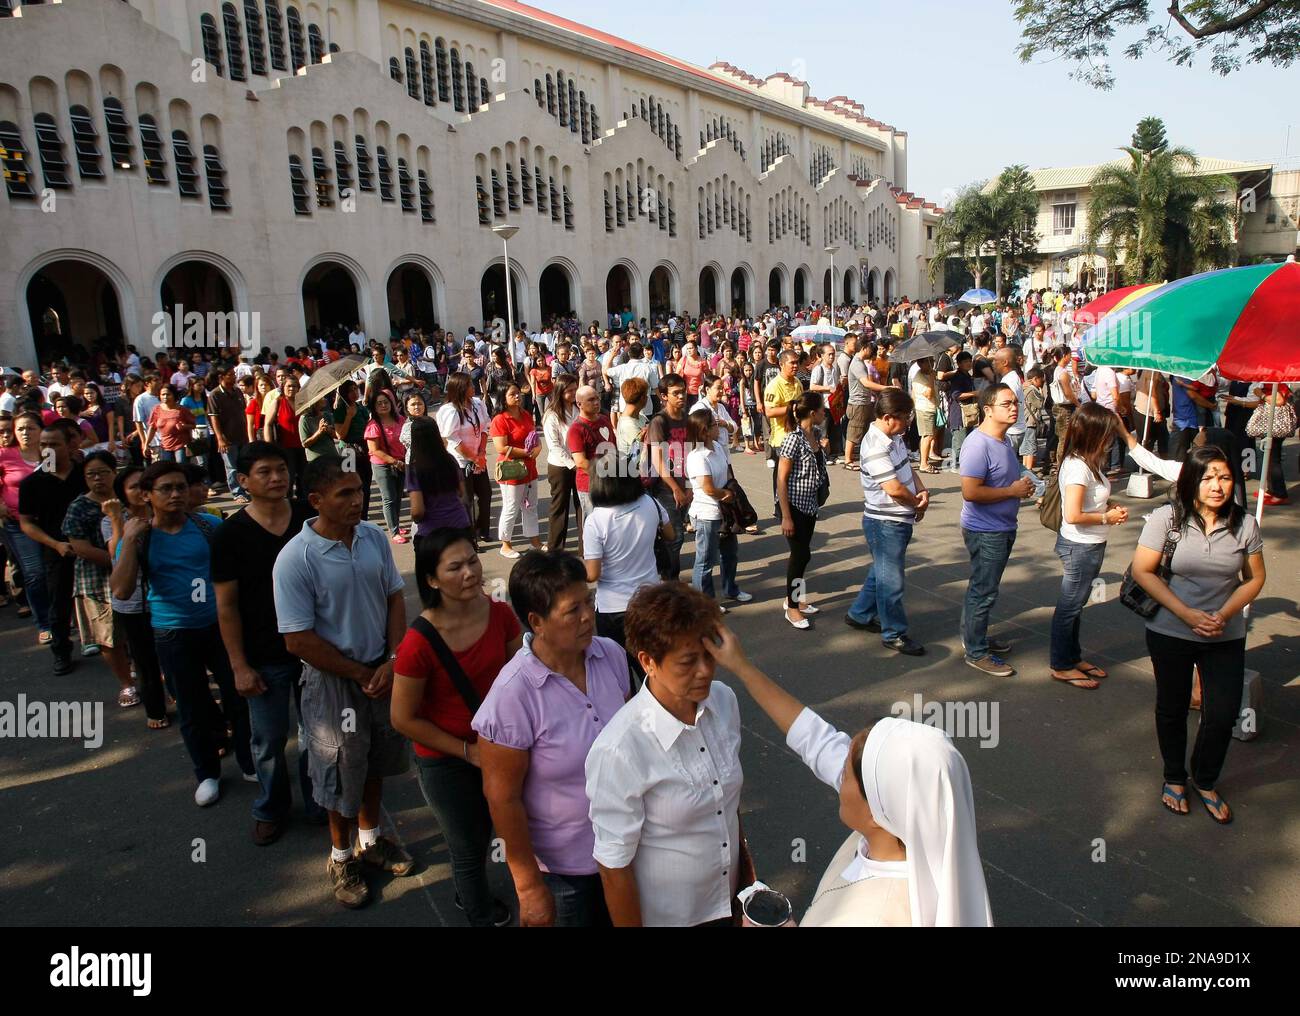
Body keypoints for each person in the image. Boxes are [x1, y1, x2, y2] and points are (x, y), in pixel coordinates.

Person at [704, 624, 994, 926]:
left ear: (877, 811)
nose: (838, 776)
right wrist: (742, 667)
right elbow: (816, 739)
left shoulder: (876, 915)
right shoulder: (901, 833)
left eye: (845, 774)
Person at [273, 458, 413, 908]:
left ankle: (371, 841)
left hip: (380, 671)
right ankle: (341, 854)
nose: (358, 501)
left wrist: (391, 660)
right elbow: (297, 640)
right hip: (333, 683)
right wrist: (359, 673)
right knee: (338, 771)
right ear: (315, 501)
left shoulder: (373, 537)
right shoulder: (296, 558)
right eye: (345, 495)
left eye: (358, 491)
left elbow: (394, 596)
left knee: (374, 758)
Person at [473, 551, 631, 927]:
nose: (587, 616)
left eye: (589, 602)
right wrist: (528, 887)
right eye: (572, 609)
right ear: (536, 622)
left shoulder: (610, 655)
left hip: (625, 850)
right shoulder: (512, 696)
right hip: (565, 873)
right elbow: (502, 798)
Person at [585, 583, 749, 926]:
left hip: (728, 904)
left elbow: (728, 806)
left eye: (710, 654)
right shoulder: (620, 749)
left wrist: (747, 885)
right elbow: (614, 867)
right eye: (688, 661)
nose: (705, 670)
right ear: (648, 661)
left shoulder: (723, 701)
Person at [391, 528, 523, 927]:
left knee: (505, 829)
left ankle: (474, 892)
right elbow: (403, 718)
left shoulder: (499, 612)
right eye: (455, 567)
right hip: (447, 760)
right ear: (431, 579)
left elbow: (520, 675)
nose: (469, 573)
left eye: (472, 561)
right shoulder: (418, 643)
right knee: (468, 848)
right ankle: (477, 910)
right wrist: (468, 752)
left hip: (498, 748)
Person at [1130, 446, 1265, 824]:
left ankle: (1205, 779)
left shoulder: (1245, 524)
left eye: (1224, 477)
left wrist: (1222, 614)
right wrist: (1186, 613)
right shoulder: (1166, 518)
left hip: (1224, 633)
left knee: (1221, 713)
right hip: (1170, 629)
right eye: (1207, 478)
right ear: (1191, 480)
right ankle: (1174, 777)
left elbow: (1255, 578)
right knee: (1171, 707)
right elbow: (1143, 571)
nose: (1217, 486)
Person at [109, 460, 252, 805]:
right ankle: (206, 774)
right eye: (166, 489)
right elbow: (121, 590)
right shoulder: (139, 537)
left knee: (239, 697)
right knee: (192, 707)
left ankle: (250, 762)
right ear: (147, 496)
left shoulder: (209, 526)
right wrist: (127, 541)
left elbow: (239, 572)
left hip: (219, 627)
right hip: (172, 633)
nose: (176, 494)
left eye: (181, 487)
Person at [212, 442, 323, 845]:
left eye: (281, 469)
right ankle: (271, 806)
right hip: (263, 657)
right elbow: (226, 607)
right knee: (269, 740)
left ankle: (319, 802)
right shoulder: (229, 535)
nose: (277, 478)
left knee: (318, 735)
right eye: (265, 472)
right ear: (243, 482)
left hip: (315, 649)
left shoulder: (310, 520)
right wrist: (239, 665)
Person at [1050, 404, 1130, 690]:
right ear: (1095, 434)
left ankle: (1072, 658)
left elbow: (1087, 504)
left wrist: (1108, 508)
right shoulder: (1077, 467)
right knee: (1070, 606)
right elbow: (1072, 514)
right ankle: (1061, 664)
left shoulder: (1089, 462)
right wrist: (1106, 516)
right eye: (1108, 434)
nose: (1111, 440)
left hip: (1091, 543)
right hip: (1079, 545)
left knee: (1076, 605)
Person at [958, 384, 1036, 676]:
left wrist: (1023, 486)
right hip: (985, 530)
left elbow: (1005, 480)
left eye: (1015, 403)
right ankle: (976, 651)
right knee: (984, 590)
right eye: (1007, 404)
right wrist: (1012, 491)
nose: (1014, 408)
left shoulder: (1003, 441)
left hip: (1002, 526)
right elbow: (971, 492)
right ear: (988, 409)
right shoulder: (978, 444)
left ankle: (974, 638)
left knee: (982, 587)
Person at [844, 389, 928, 655]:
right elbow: (892, 487)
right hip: (885, 523)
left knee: (880, 573)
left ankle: (859, 614)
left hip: (896, 520)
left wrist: (921, 490)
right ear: (890, 417)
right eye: (905, 417)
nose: (908, 422)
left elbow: (907, 468)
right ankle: (894, 633)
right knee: (891, 581)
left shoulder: (894, 438)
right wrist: (916, 503)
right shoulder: (875, 445)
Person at [62, 450, 136, 700]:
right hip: (96, 579)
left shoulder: (129, 499)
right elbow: (80, 548)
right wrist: (122, 562)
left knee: (139, 631)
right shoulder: (78, 507)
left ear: (114, 472)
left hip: (134, 577)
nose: (97, 479)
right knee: (108, 635)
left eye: (103, 473)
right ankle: (126, 683)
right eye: (90, 474)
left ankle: (150, 675)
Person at [582, 468, 670, 673]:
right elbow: (670, 533)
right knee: (652, 669)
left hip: (613, 608)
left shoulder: (596, 520)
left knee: (620, 676)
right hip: (650, 599)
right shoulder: (650, 503)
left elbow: (592, 574)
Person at [102, 466, 168, 729]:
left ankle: (177, 692)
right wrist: (120, 522)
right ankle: (155, 708)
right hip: (133, 603)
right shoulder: (112, 519)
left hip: (166, 597)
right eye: (133, 487)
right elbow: (115, 555)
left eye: (145, 485)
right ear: (123, 495)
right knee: (145, 659)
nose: (141, 491)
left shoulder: (164, 514)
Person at [18, 423, 87, 675]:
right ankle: (61, 651)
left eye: (54, 444)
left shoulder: (86, 475)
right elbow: (26, 522)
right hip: (56, 551)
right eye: (43, 445)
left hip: (92, 551)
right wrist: (55, 544)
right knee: (58, 604)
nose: (47, 449)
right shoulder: (33, 483)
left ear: (71, 445)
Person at [685, 406, 751, 611]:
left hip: (725, 512)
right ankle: (704, 603)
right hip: (707, 514)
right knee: (705, 561)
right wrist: (727, 495)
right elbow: (708, 488)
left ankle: (731, 588)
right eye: (714, 424)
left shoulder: (718, 447)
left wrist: (733, 491)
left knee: (730, 554)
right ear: (704, 430)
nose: (718, 426)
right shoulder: (697, 457)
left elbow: (728, 474)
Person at [777, 392, 829, 630]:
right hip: (795, 507)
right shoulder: (792, 439)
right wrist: (786, 516)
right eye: (822, 409)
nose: (824, 413)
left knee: (803, 555)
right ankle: (792, 606)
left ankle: (796, 598)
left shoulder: (815, 435)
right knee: (800, 556)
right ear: (812, 412)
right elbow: (781, 480)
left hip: (810, 505)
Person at [1, 412, 49, 644]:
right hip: (18, 524)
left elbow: (54, 482)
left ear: (41, 429)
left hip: (50, 521)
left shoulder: (48, 453)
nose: (25, 433)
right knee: (35, 573)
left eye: (30, 428)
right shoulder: (5, 454)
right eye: (20, 429)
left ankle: (63, 615)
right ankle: (44, 623)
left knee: (55, 570)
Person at [487, 383, 544, 558]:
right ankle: (506, 544)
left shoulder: (526, 414)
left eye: (518, 393)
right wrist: (526, 452)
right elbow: (501, 447)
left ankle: (535, 541)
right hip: (511, 470)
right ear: (503, 398)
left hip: (530, 468)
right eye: (513, 394)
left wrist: (538, 448)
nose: (517, 397)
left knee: (531, 506)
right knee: (511, 507)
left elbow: (535, 437)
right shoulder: (500, 420)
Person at [643, 373, 692, 579]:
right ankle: (669, 578)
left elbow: (693, 453)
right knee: (675, 536)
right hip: (665, 487)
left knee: (676, 534)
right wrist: (675, 489)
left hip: (685, 484)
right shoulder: (659, 422)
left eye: (683, 392)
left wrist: (688, 487)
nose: (681, 396)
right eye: (676, 393)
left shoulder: (687, 418)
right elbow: (658, 461)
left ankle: (665, 575)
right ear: (663, 396)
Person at [437, 374, 492, 546]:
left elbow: (484, 428)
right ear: (460, 388)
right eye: (469, 385)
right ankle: (467, 537)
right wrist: (473, 457)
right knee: (466, 500)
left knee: (485, 494)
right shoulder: (450, 410)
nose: (473, 387)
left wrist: (481, 453)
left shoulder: (477, 403)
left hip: (478, 458)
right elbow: (452, 439)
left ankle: (482, 529)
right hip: (461, 461)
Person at [405, 417, 470, 541]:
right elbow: (463, 494)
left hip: (433, 532)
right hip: (460, 524)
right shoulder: (450, 460)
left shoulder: (415, 469)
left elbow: (417, 511)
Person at [566, 384, 616, 527]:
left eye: (597, 398)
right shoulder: (576, 429)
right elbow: (580, 462)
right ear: (579, 404)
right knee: (594, 527)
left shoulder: (604, 419)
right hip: (590, 485)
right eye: (591, 400)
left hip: (611, 482)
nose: (596, 402)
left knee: (611, 526)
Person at [542, 376, 581, 552]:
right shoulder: (552, 415)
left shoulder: (578, 409)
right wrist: (572, 464)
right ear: (560, 392)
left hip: (580, 463)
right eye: (569, 390)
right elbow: (554, 446)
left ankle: (586, 547)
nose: (573, 393)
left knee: (583, 505)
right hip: (560, 466)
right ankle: (555, 548)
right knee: (560, 507)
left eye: (575, 389)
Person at [364, 389, 408, 544]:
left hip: (401, 463)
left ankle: (396, 524)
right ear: (374, 407)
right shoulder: (373, 425)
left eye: (386, 402)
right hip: (382, 465)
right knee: (389, 498)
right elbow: (374, 450)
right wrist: (394, 461)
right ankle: (394, 531)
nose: (383, 405)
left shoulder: (401, 419)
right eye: (379, 403)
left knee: (397, 496)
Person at [764, 350, 804, 516]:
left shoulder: (797, 383)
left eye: (797, 362)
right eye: (792, 363)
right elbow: (769, 412)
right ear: (781, 364)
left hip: (797, 435)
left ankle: (795, 506)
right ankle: (780, 508)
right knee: (782, 477)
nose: (795, 366)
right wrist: (791, 408)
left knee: (796, 475)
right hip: (781, 438)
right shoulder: (774, 385)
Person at [207, 367, 250, 500]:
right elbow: (213, 417)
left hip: (241, 435)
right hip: (227, 438)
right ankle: (237, 493)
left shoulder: (237, 391)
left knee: (243, 464)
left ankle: (245, 488)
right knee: (231, 466)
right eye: (230, 375)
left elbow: (243, 411)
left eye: (234, 374)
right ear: (221, 377)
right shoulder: (215, 395)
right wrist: (220, 438)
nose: (234, 377)